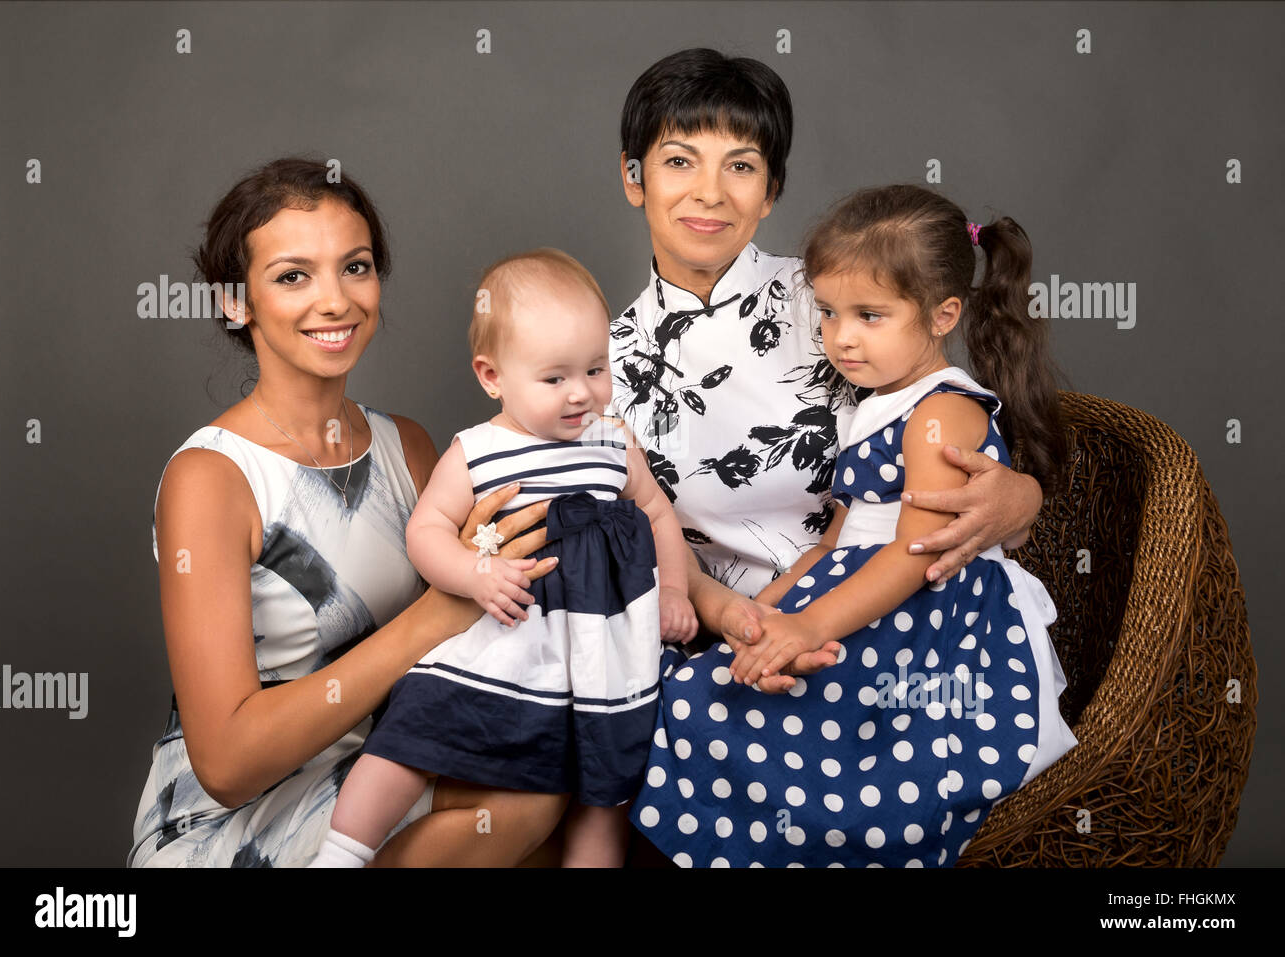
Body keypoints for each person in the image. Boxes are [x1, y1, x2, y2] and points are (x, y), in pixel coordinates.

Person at [128, 158, 569, 867]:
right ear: (236, 302)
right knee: (523, 800)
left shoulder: (410, 444)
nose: (334, 300)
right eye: (293, 275)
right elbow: (229, 761)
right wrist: (437, 614)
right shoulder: (210, 477)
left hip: (390, 762)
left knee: (566, 788)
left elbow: (470, 640)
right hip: (239, 815)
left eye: (355, 267)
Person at [629, 183, 1080, 867]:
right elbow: (834, 543)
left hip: (931, 624)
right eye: (831, 312)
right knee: (706, 689)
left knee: (788, 745)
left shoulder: (942, 409)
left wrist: (809, 627)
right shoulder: (880, 404)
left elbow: (912, 551)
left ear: (941, 315)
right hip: (862, 598)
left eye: (870, 315)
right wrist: (763, 614)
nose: (842, 336)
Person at [610, 49, 1045, 637]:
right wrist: (734, 620)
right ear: (635, 179)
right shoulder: (604, 362)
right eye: (680, 161)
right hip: (713, 631)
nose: (709, 193)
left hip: (886, 617)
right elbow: (632, 532)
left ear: (770, 191)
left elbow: (938, 427)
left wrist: (1021, 499)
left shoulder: (833, 296)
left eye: (740, 167)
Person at [310, 249, 696, 868]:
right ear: (493, 377)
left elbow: (655, 512)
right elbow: (427, 529)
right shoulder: (480, 450)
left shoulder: (613, 441)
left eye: (597, 369)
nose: (582, 393)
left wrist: (673, 590)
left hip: (600, 656)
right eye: (555, 378)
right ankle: (342, 852)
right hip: (502, 639)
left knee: (601, 794)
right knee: (412, 737)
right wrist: (474, 572)